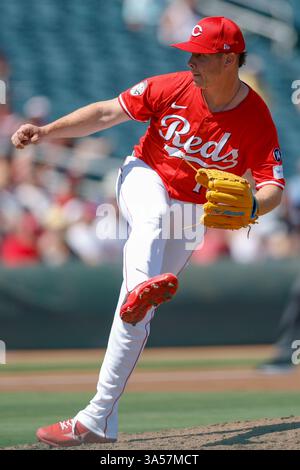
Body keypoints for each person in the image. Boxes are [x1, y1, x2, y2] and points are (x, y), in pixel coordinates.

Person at [11, 16, 285, 447]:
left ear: (230, 59)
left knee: (134, 313)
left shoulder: (256, 118)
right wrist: (46, 131)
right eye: (190, 53)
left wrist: (253, 204)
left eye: (201, 55)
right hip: (145, 175)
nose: (191, 61)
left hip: (191, 213)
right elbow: (106, 112)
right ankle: (142, 286)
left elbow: (273, 188)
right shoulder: (172, 86)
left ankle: (97, 419)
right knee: (151, 223)